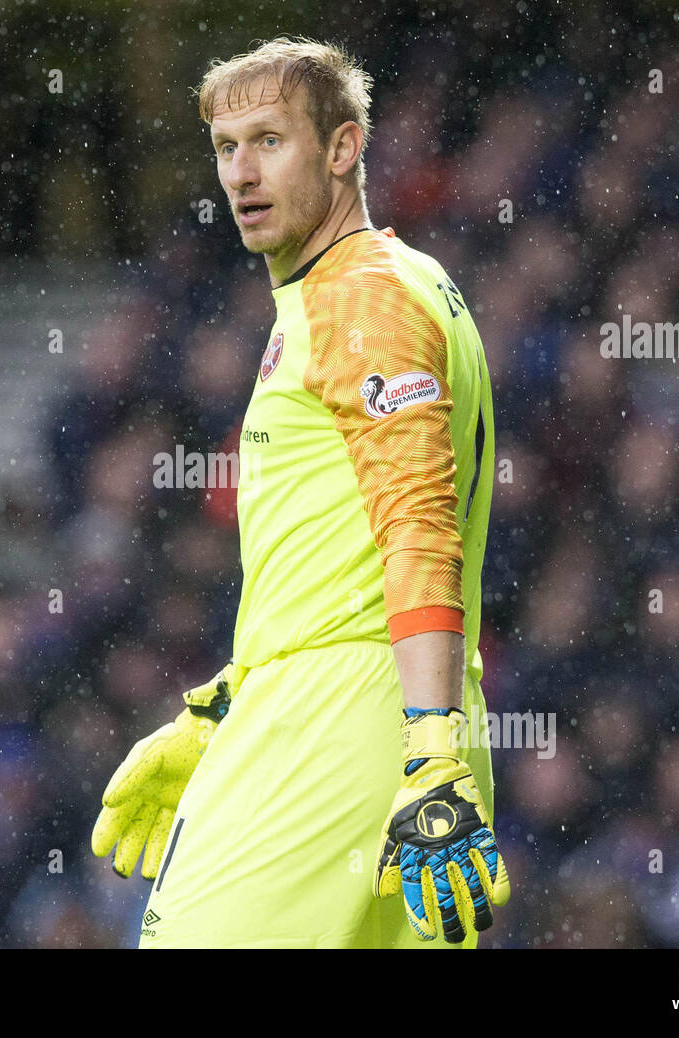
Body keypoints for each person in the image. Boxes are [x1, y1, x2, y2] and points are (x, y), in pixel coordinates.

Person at [92, 35, 510, 949]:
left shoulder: (361, 297)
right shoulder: (401, 285)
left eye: (270, 141)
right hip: (389, 720)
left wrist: (428, 751)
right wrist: (227, 708)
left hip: (343, 732)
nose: (241, 171)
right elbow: (336, 559)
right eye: (225, 148)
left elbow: (417, 526)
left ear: (343, 149)